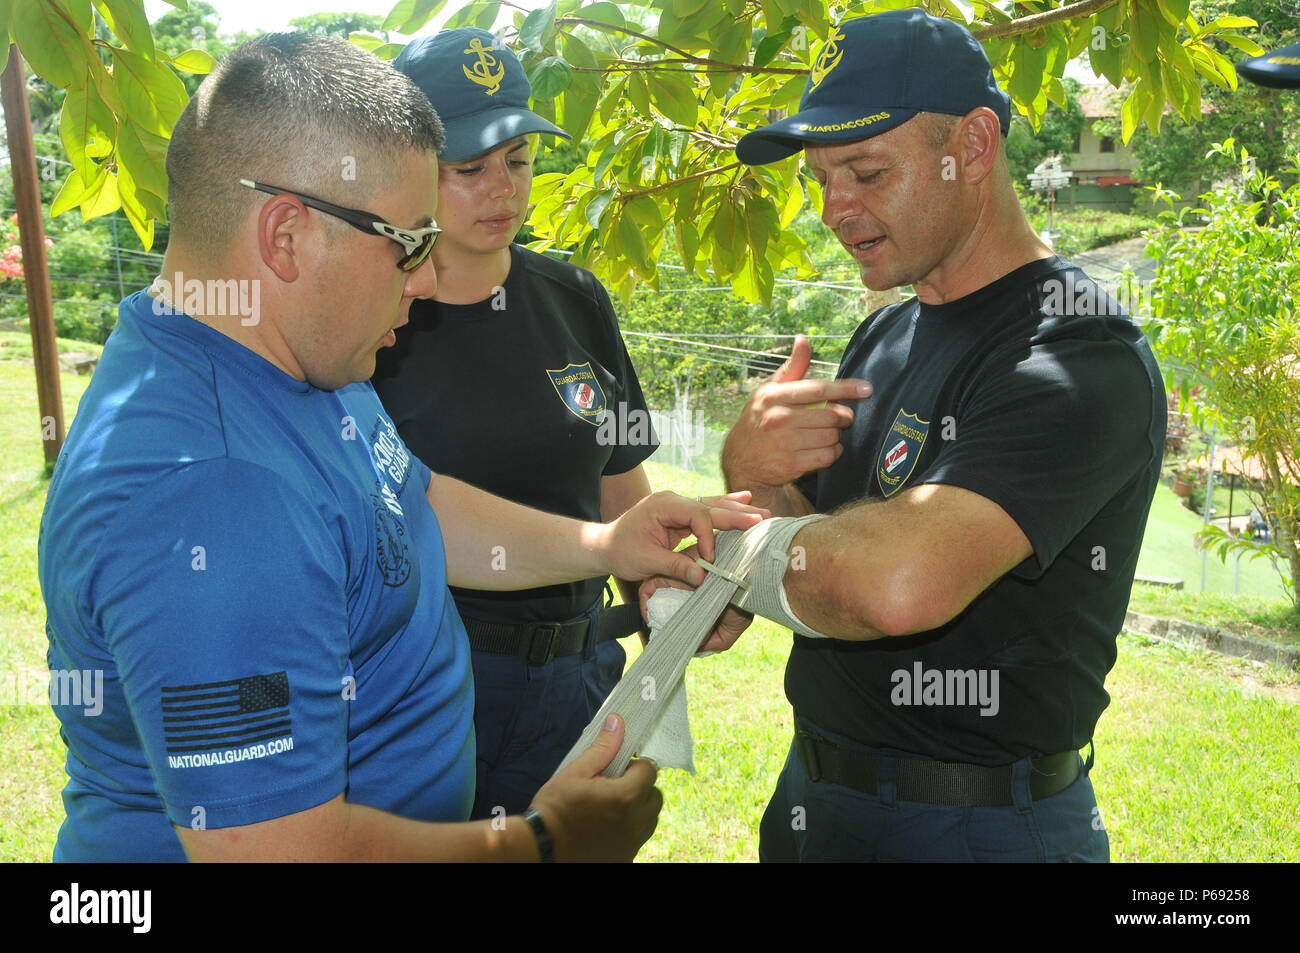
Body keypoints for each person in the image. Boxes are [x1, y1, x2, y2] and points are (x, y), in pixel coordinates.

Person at [37, 33, 763, 863]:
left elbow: (410, 504)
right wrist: (546, 840)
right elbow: (280, 855)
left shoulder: (300, 359)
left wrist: (604, 543)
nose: (425, 279)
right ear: (286, 235)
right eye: (408, 243)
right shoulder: (214, 495)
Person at [717, 9, 1167, 861]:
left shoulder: (1077, 353)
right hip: (814, 792)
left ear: (975, 144)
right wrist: (753, 474)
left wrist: (745, 553)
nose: (835, 208)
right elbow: (822, 545)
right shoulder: (883, 334)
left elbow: (895, 585)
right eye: (821, 179)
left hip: (975, 823)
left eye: (866, 171)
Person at [370, 29, 666, 819]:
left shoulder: (576, 298)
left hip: (578, 674)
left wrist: (664, 609)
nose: (503, 188)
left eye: (520, 160)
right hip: (430, 678)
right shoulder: (372, 318)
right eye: (469, 169)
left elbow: (621, 489)